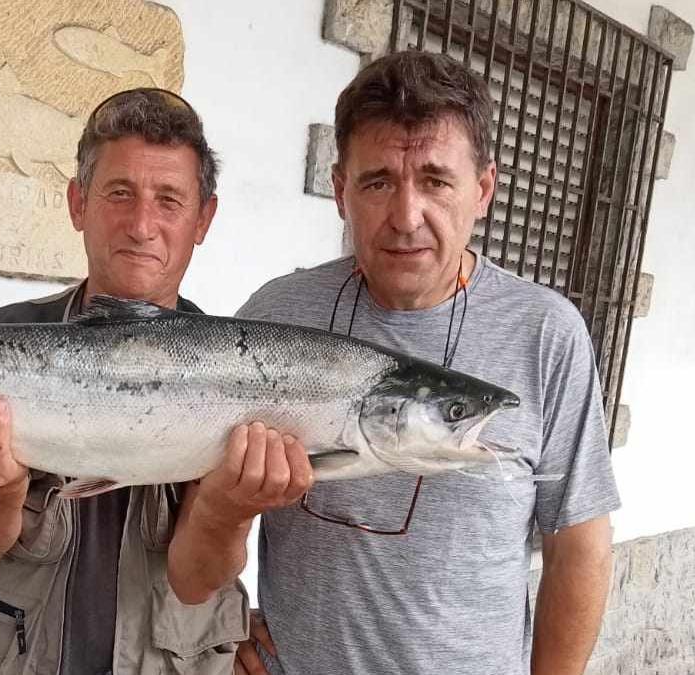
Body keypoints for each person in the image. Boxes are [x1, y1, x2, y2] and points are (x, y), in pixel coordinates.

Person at [226, 52, 621, 674]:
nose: (406, 217)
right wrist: (223, 616)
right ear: (340, 191)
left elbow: (578, 545)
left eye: (435, 181)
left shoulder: (545, 334)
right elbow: (203, 478)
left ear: (483, 191)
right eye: (377, 180)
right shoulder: (278, 314)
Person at [0, 88, 313, 674]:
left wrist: (228, 509)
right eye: (119, 193)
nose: (142, 225)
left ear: (204, 219)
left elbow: (196, 582)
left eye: (169, 200)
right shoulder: (6, 338)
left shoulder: (234, 369)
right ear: (78, 204)